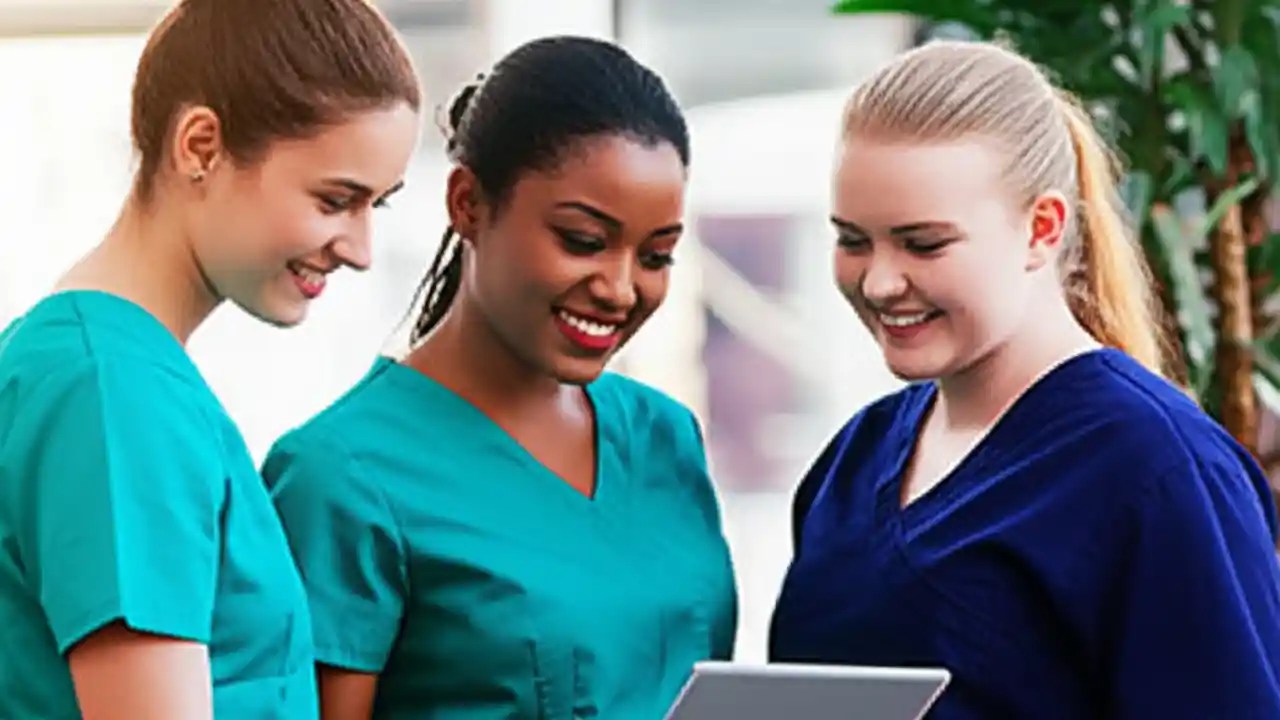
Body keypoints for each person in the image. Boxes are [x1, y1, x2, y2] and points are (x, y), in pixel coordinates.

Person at [768, 39, 1280, 719]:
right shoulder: (855, 460)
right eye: (853, 241)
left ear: (1041, 229)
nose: (881, 281)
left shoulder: (1157, 470)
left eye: (924, 243)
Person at [262, 35, 738, 720]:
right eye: (582, 241)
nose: (620, 288)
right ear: (468, 204)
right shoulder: (340, 476)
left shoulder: (667, 437)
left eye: (657, 255)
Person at [0, 1, 421, 718]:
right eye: (334, 200)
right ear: (199, 146)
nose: (359, 249)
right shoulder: (112, 393)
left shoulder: (104, 367)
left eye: (374, 207)